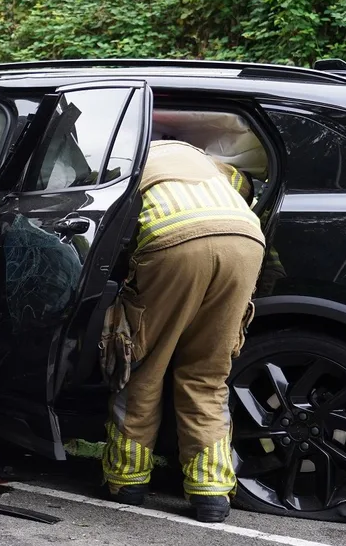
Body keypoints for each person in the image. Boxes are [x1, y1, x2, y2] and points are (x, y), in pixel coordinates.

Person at [101, 139, 265, 523]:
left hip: (172, 238)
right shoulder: (208, 162)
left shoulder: (129, 156)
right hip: (245, 240)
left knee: (146, 365)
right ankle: (211, 493)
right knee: (207, 375)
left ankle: (127, 480)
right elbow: (246, 188)